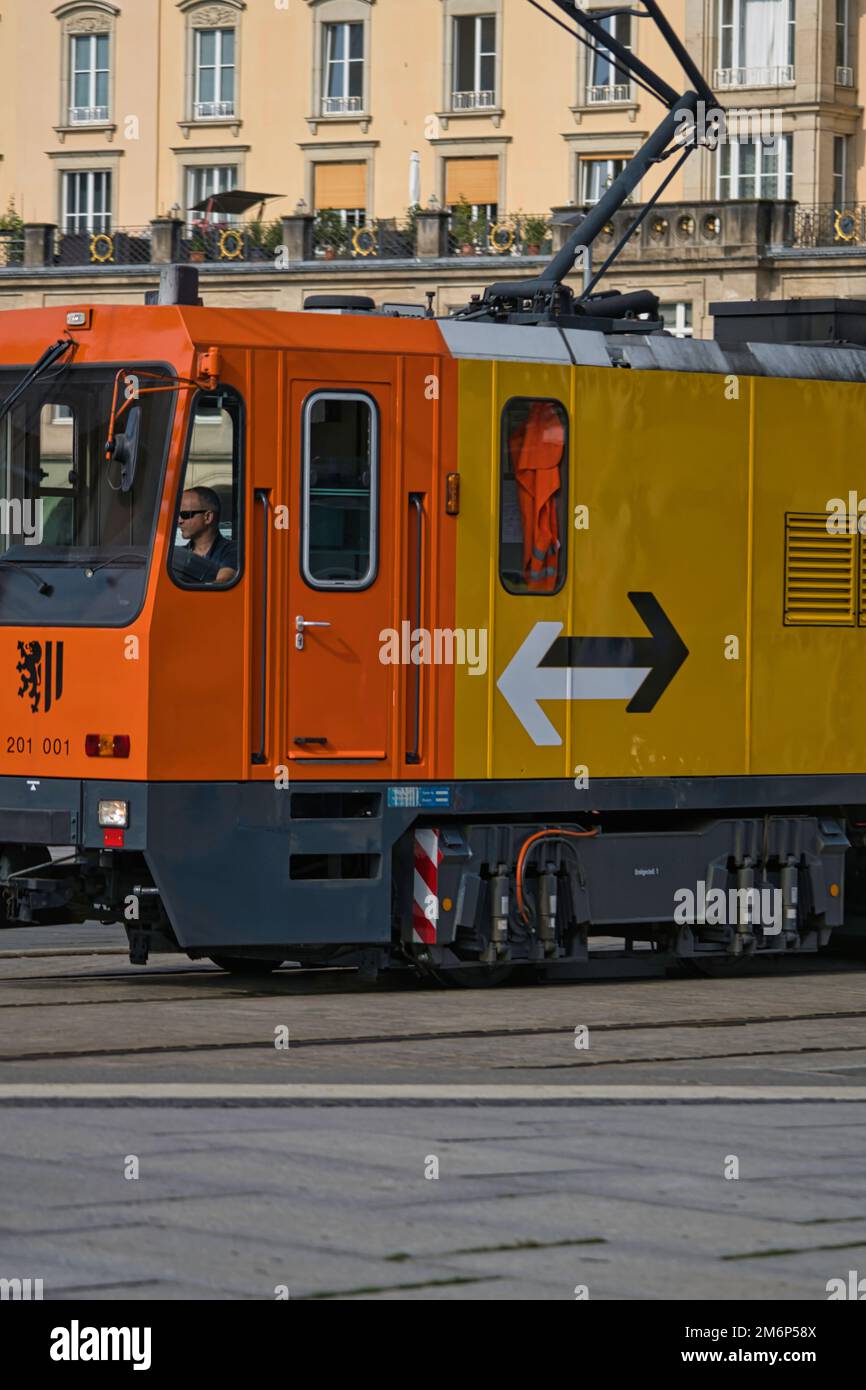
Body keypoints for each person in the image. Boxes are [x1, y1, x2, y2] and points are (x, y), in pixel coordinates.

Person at [173, 486, 237, 585]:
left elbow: (223, 581)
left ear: (208, 517)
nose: (179, 521)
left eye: (186, 514)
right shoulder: (177, 555)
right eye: (178, 514)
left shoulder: (232, 551)